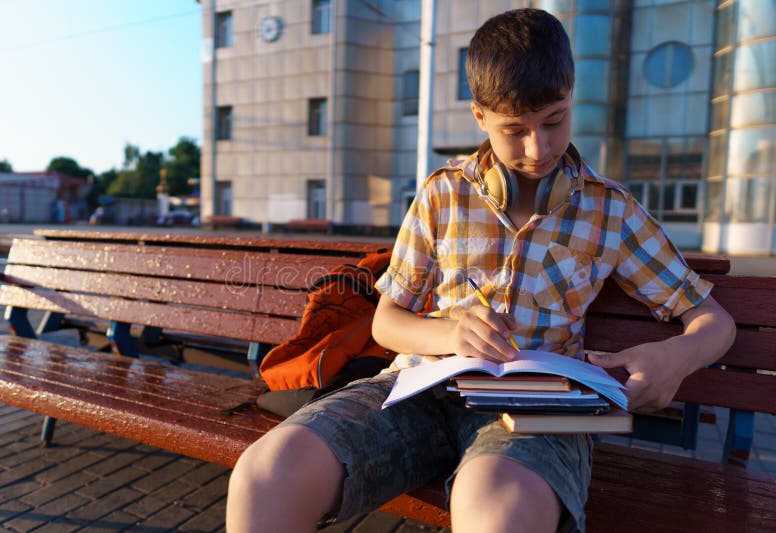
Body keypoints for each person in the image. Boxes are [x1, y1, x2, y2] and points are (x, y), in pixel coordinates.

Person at [226, 9, 736, 533]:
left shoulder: (611, 211)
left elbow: (715, 322)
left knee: (498, 510)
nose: (538, 149)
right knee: (264, 476)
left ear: (571, 98)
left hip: (536, 412)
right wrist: (450, 331)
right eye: (514, 130)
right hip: (416, 387)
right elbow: (386, 322)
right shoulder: (442, 193)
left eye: (555, 120)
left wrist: (675, 356)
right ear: (479, 117)